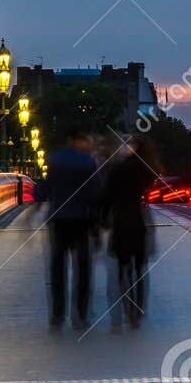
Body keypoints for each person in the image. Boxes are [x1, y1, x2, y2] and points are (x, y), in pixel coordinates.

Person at [42, 130, 99, 328]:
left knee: (58, 267)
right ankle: (81, 314)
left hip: (59, 218)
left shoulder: (55, 159)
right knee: (82, 268)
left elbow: (45, 188)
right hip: (81, 219)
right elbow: (94, 193)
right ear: (78, 140)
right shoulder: (88, 162)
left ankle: (58, 314)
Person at [102, 134, 161, 328]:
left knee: (123, 268)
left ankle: (127, 308)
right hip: (138, 222)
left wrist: (102, 220)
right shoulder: (143, 169)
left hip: (120, 222)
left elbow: (107, 197)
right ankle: (137, 310)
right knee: (139, 269)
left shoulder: (116, 169)